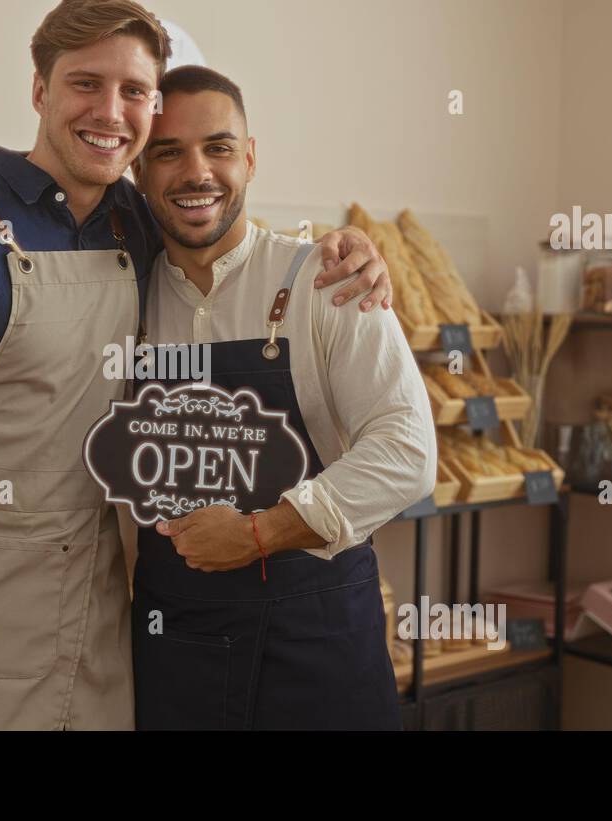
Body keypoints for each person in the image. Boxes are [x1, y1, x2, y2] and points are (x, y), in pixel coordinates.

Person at [0, 0, 392, 731]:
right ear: (40, 92)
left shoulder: (137, 226)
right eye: (86, 84)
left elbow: (218, 213)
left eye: (133, 92)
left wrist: (347, 249)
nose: (111, 112)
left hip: (100, 630)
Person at [126, 65, 435, 729]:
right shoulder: (124, 297)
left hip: (316, 641)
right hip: (175, 643)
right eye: (167, 152)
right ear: (140, 172)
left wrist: (256, 533)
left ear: (251, 157)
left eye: (219, 147)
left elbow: (408, 451)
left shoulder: (326, 279)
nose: (196, 171)